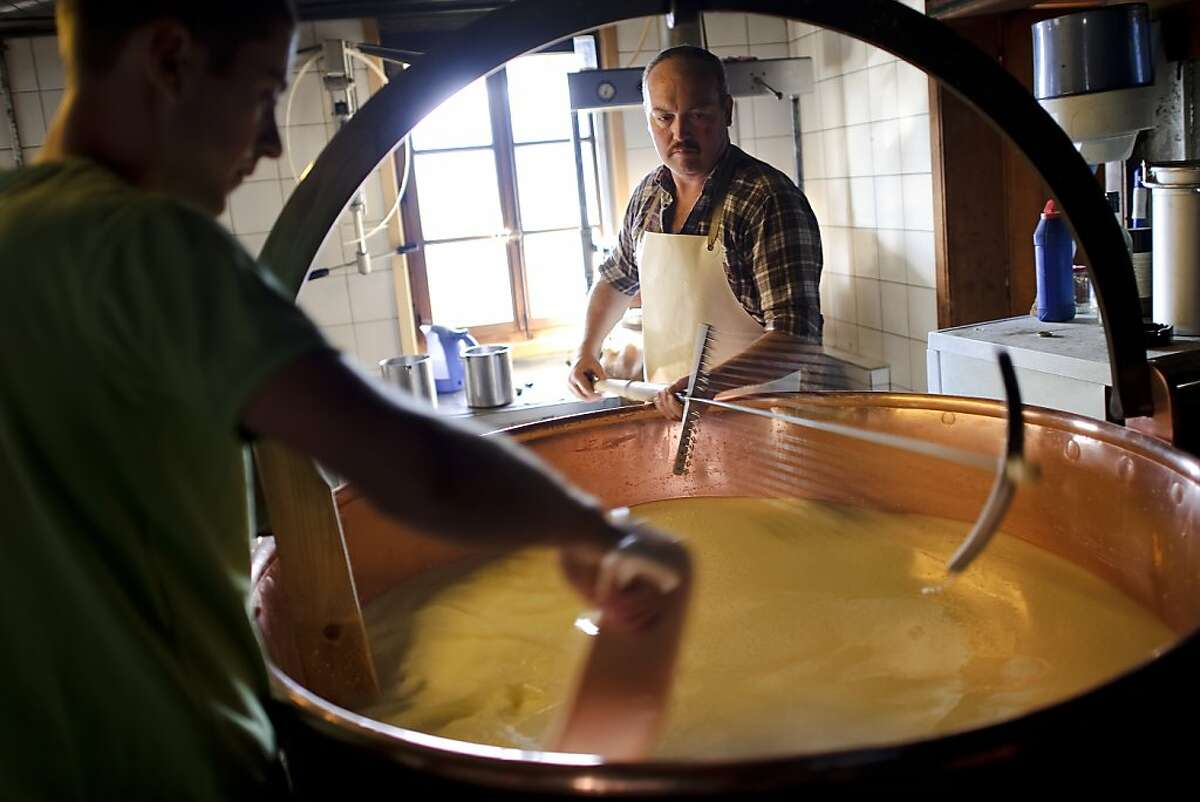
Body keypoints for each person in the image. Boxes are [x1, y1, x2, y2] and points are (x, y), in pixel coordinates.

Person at [0, 2, 682, 798]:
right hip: (165, 768)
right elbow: (419, 468)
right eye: (263, 94)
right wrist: (595, 532)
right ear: (170, 57)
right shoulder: (147, 247)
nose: (269, 142)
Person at [568, 45, 824, 419]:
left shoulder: (766, 199)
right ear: (648, 118)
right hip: (672, 423)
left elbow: (798, 337)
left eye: (698, 115)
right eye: (664, 117)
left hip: (759, 428)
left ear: (727, 111)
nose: (679, 133)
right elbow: (616, 279)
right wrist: (587, 349)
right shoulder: (648, 195)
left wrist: (708, 383)